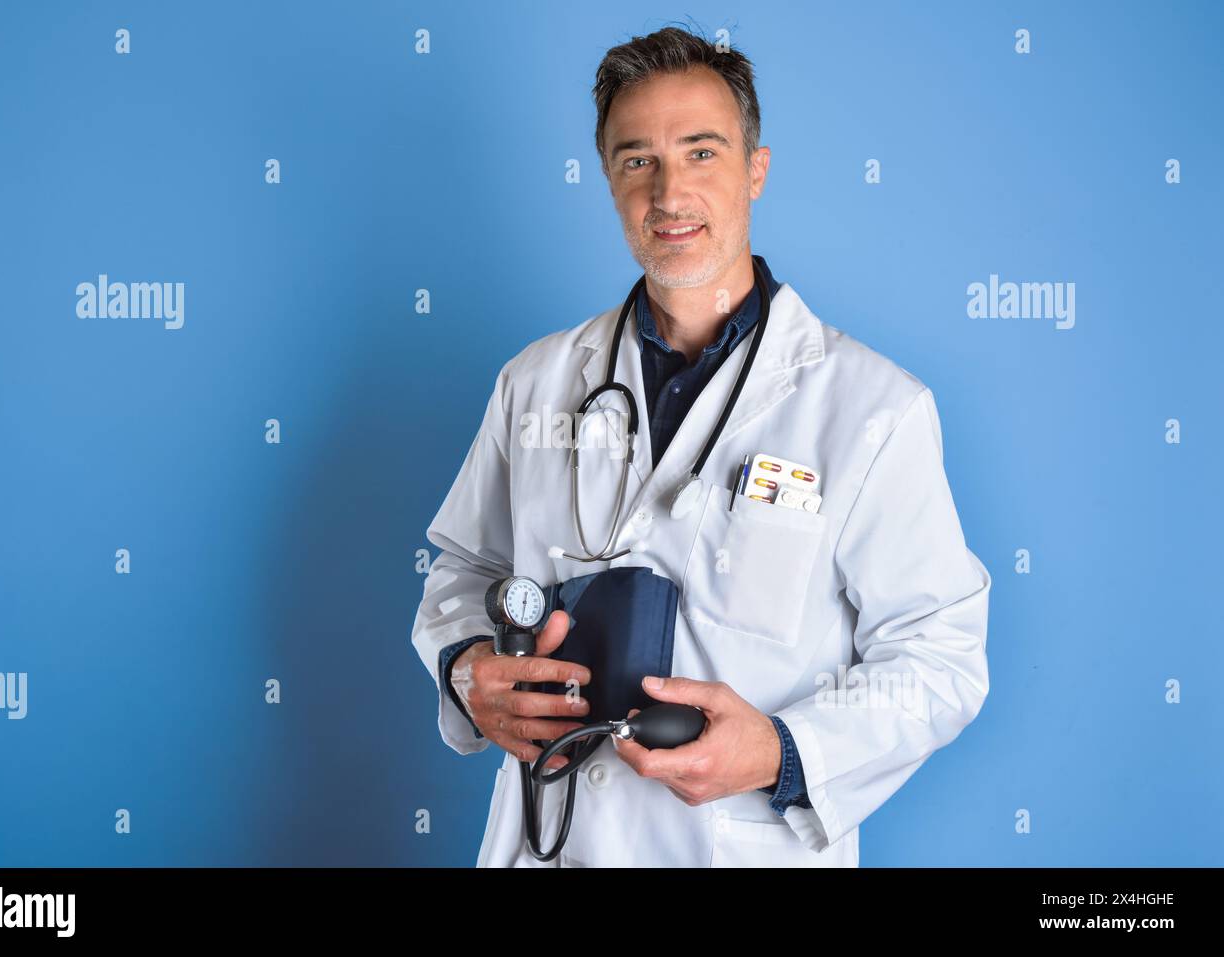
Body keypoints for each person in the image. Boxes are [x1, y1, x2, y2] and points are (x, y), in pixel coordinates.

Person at [409, 25, 990, 867]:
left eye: (703, 152)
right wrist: (468, 673)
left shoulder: (872, 409)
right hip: (551, 838)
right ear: (608, 180)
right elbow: (461, 570)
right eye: (636, 159)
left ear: (756, 167)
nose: (669, 192)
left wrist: (785, 752)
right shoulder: (533, 384)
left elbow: (941, 658)